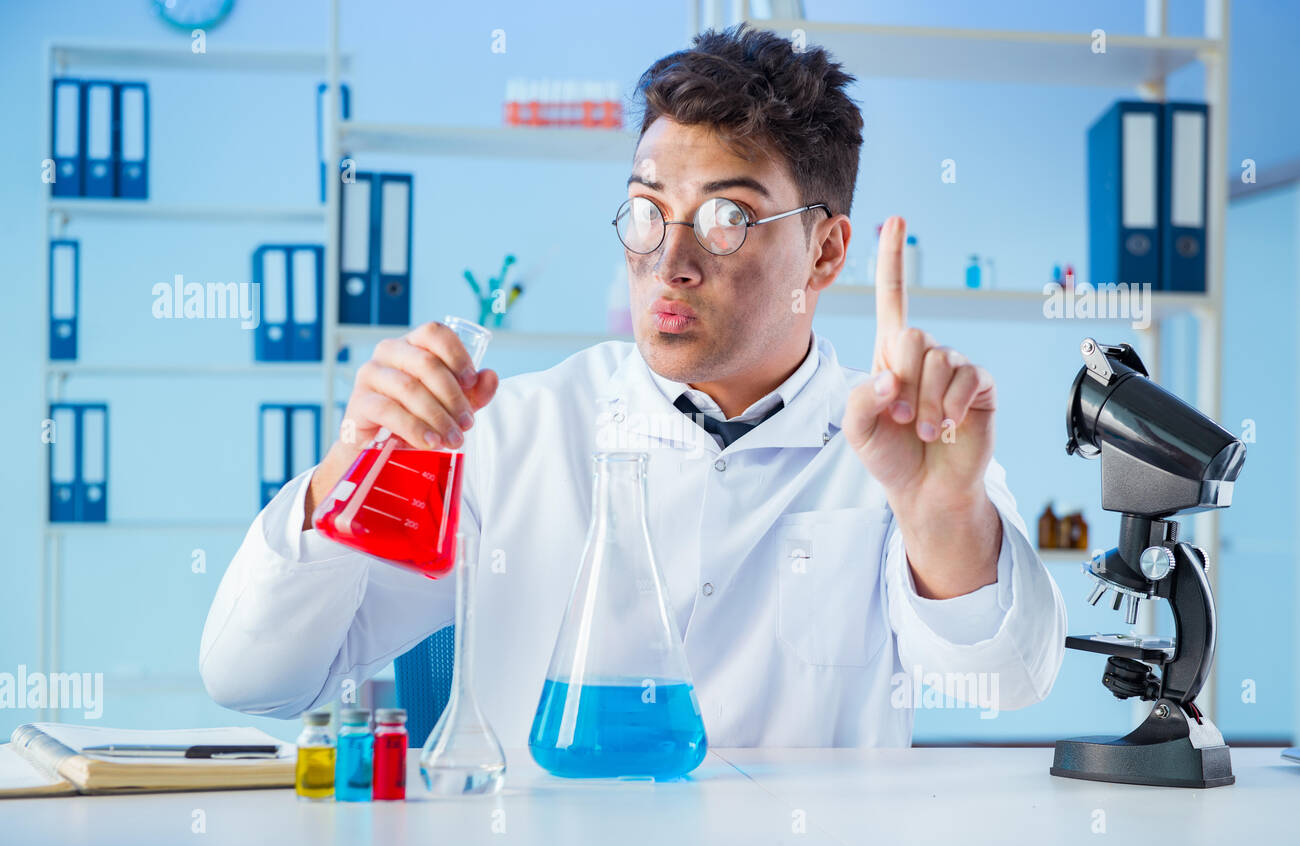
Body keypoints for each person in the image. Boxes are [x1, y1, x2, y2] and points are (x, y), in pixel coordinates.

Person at [200, 24, 1066, 747]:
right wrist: (344, 471)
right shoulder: (509, 434)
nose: (669, 260)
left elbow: (1005, 681)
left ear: (827, 251)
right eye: (648, 207)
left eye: (728, 218)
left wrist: (940, 518)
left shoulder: (903, 450)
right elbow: (254, 677)